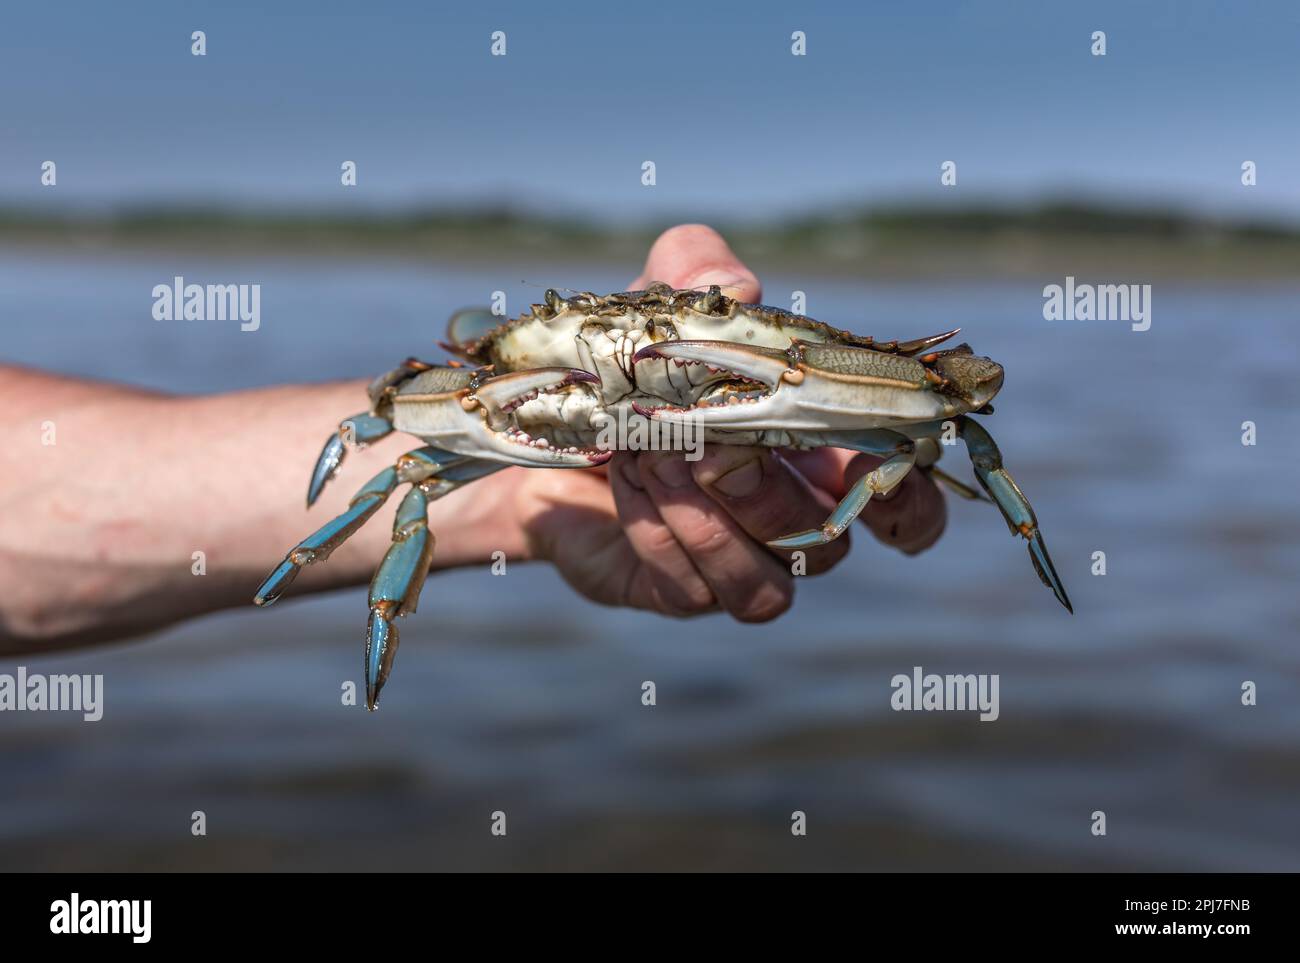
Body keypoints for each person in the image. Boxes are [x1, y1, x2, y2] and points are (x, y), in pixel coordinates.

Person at [0, 225, 945, 654]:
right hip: (498, 422)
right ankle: (376, 610)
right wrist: (494, 458)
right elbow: (400, 422)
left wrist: (516, 499)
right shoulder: (477, 379)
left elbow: (951, 400)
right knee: (410, 476)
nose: (629, 355)